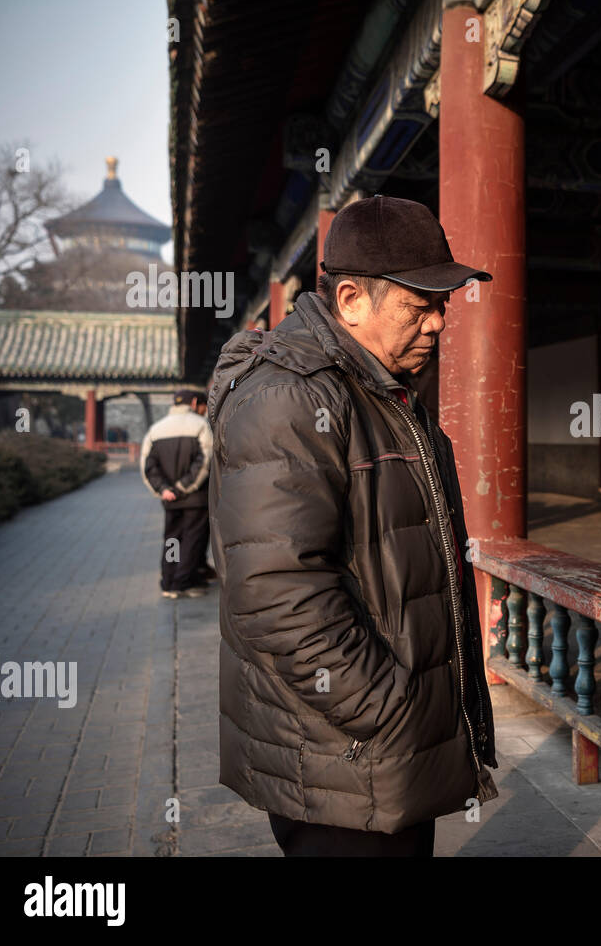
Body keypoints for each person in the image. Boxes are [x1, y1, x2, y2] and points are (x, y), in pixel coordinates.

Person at [207, 197, 498, 856]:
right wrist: (389, 710)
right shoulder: (292, 396)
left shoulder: (382, 387)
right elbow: (276, 594)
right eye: (418, 305)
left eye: (443, 304)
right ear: (350, 299)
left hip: (378, 753)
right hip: (342, 755)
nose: (438, 322)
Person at [139, 387, 212, 599]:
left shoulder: (156, 429)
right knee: (192, 540)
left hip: (169, 499)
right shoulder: (201, 426)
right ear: (195, 403)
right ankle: (183, 582)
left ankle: (168, 581)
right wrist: (183, 487)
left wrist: (164, 489)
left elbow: (148, 465)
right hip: (194, 498)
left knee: (172, 539)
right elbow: (204, 461)